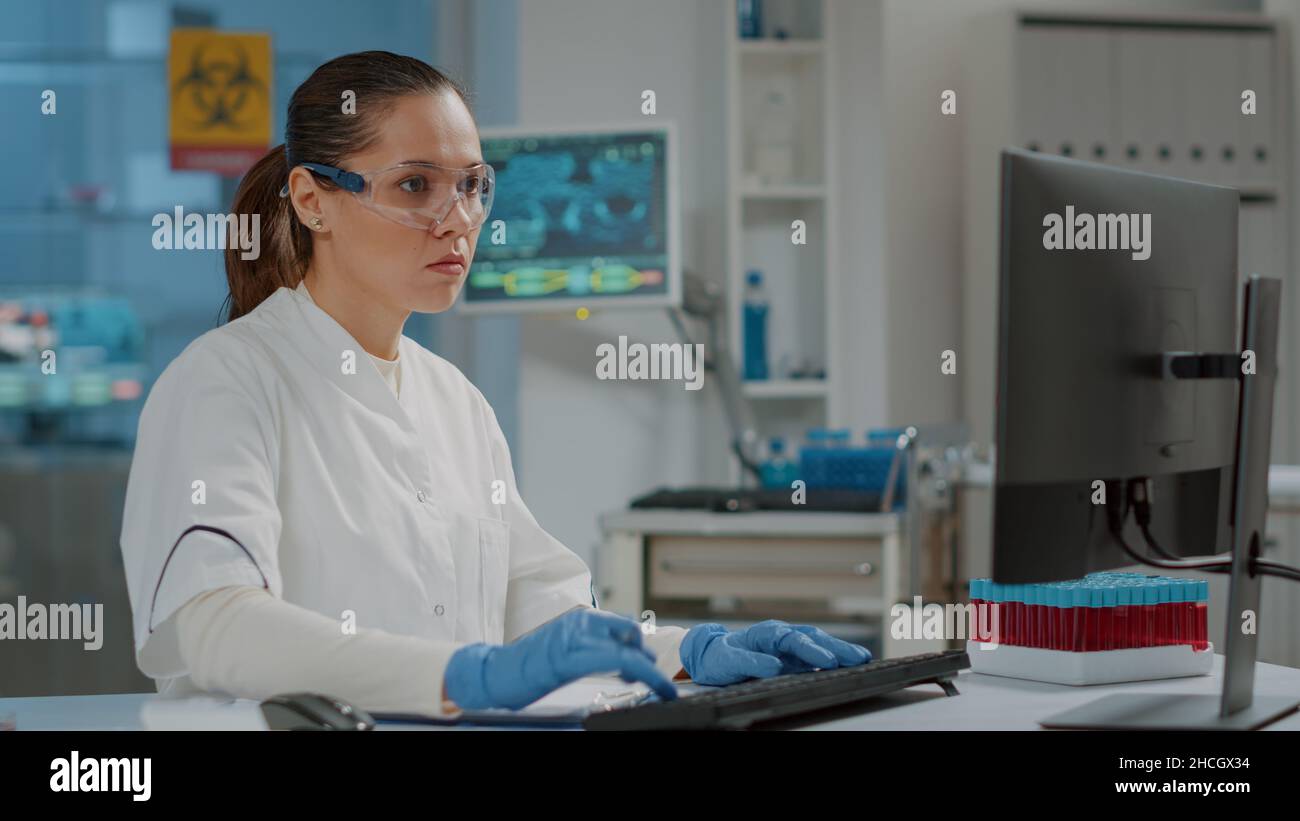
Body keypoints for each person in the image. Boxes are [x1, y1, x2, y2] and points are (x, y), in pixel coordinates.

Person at [119, 51, 870, 717]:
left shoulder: (454, 401)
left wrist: (688, 648)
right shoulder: (224, 380)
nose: (459, 221)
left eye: (473, 185)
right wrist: (464, 674)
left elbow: (542, 615)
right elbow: (212, 622)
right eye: (415, 185)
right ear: (313, 200)